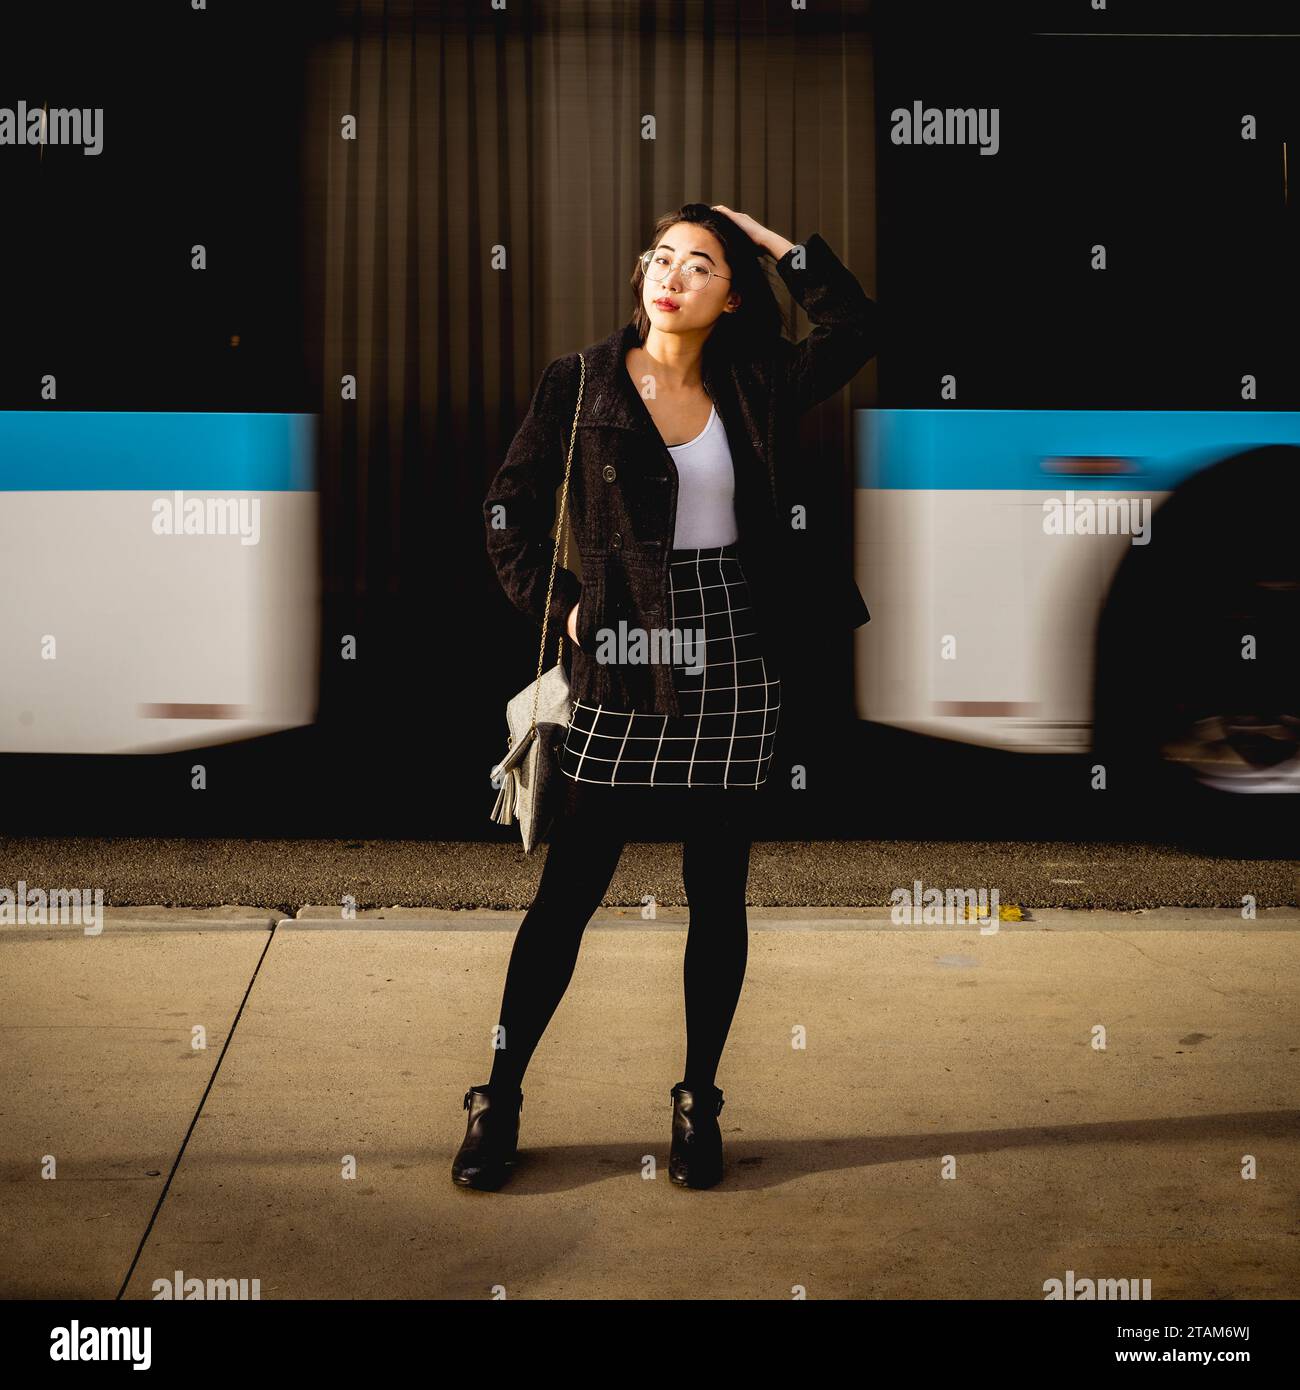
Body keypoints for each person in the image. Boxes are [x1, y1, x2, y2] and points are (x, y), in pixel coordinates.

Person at [459, 202, 878, 1190]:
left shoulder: (754, 380)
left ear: (732, 298)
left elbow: (853, 327)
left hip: (735, 650)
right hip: (623, 649)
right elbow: (505, 511)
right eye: (661, 256)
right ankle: (498, 1096)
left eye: (700, 263)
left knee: (716, 893)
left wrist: (772, 240)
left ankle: (698, 1100)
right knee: (567, 895)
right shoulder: (581, 380)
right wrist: (561, 605)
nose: (673, 274)